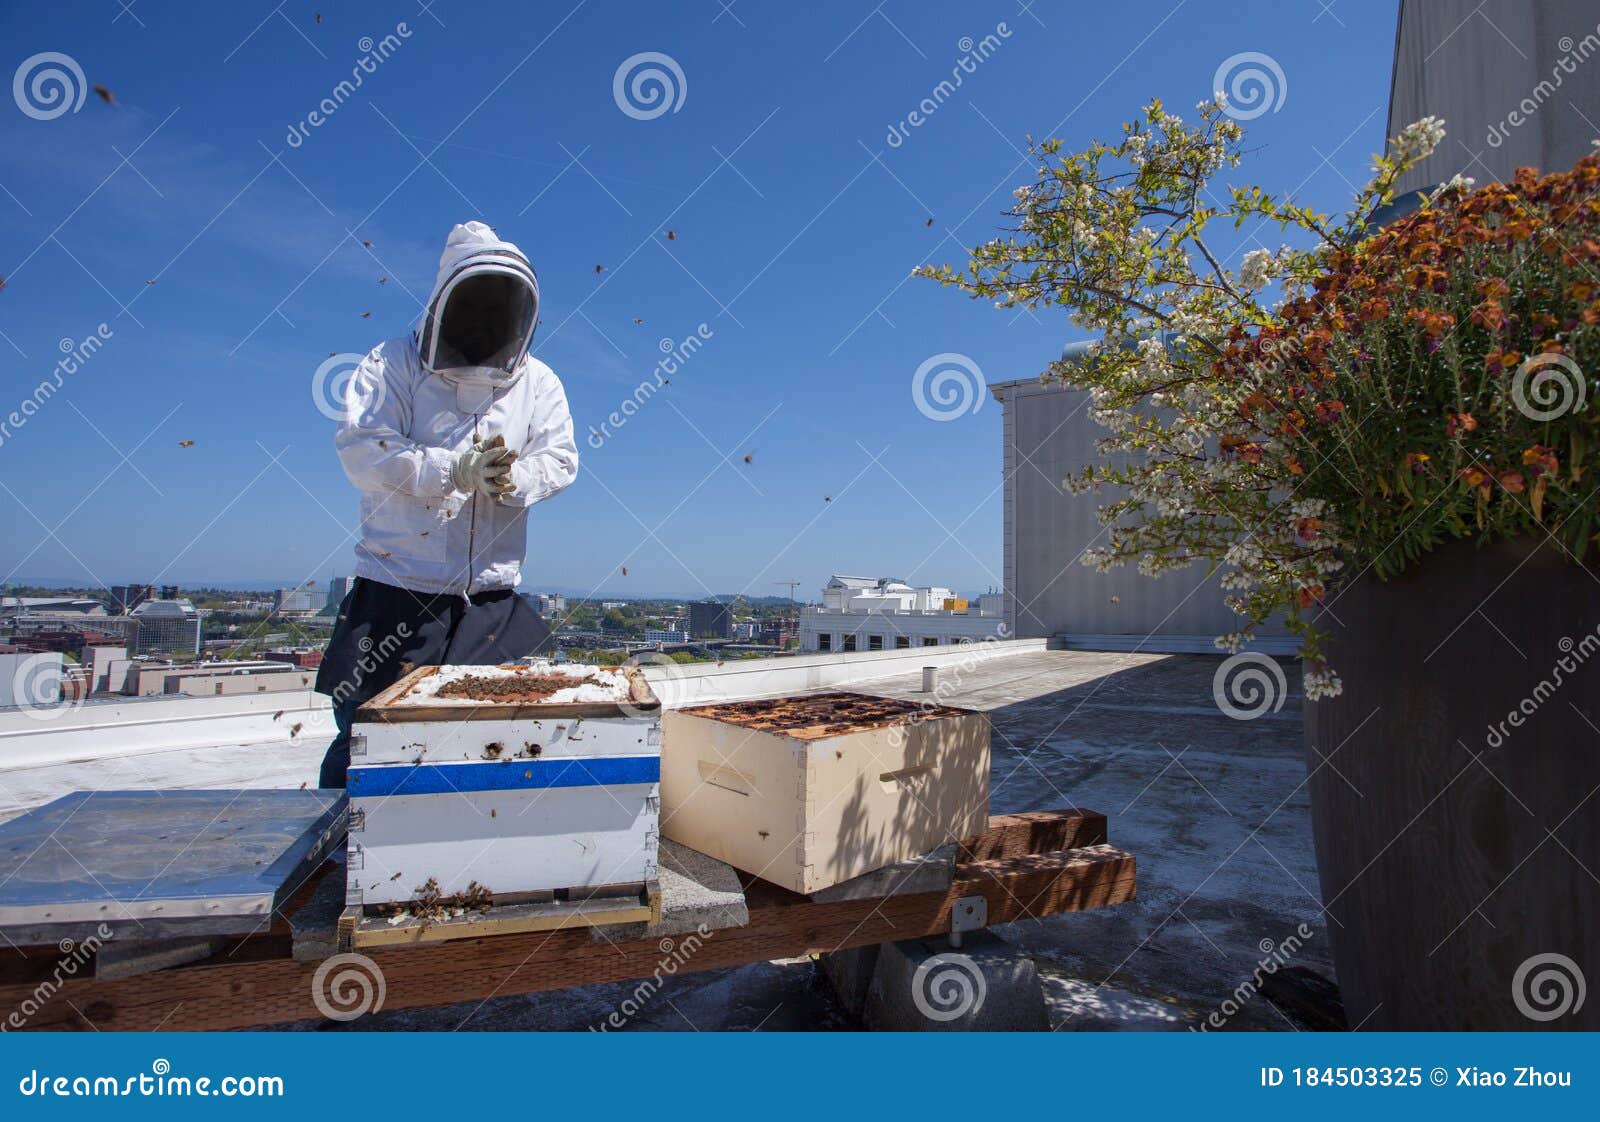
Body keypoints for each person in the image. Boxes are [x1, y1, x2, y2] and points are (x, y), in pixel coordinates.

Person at [314, 221, 578, 787]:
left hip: (492, 596)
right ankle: (340, 863)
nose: (484, 324)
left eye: (496, 309)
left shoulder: (540, 382)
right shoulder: (392, 363)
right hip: (397, 590)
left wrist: (516, 479)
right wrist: (448, 470)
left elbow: (560, 459)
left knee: (499, 737)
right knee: (368, 735)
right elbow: (362, 449)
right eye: (474, 307)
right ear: (444, 304)